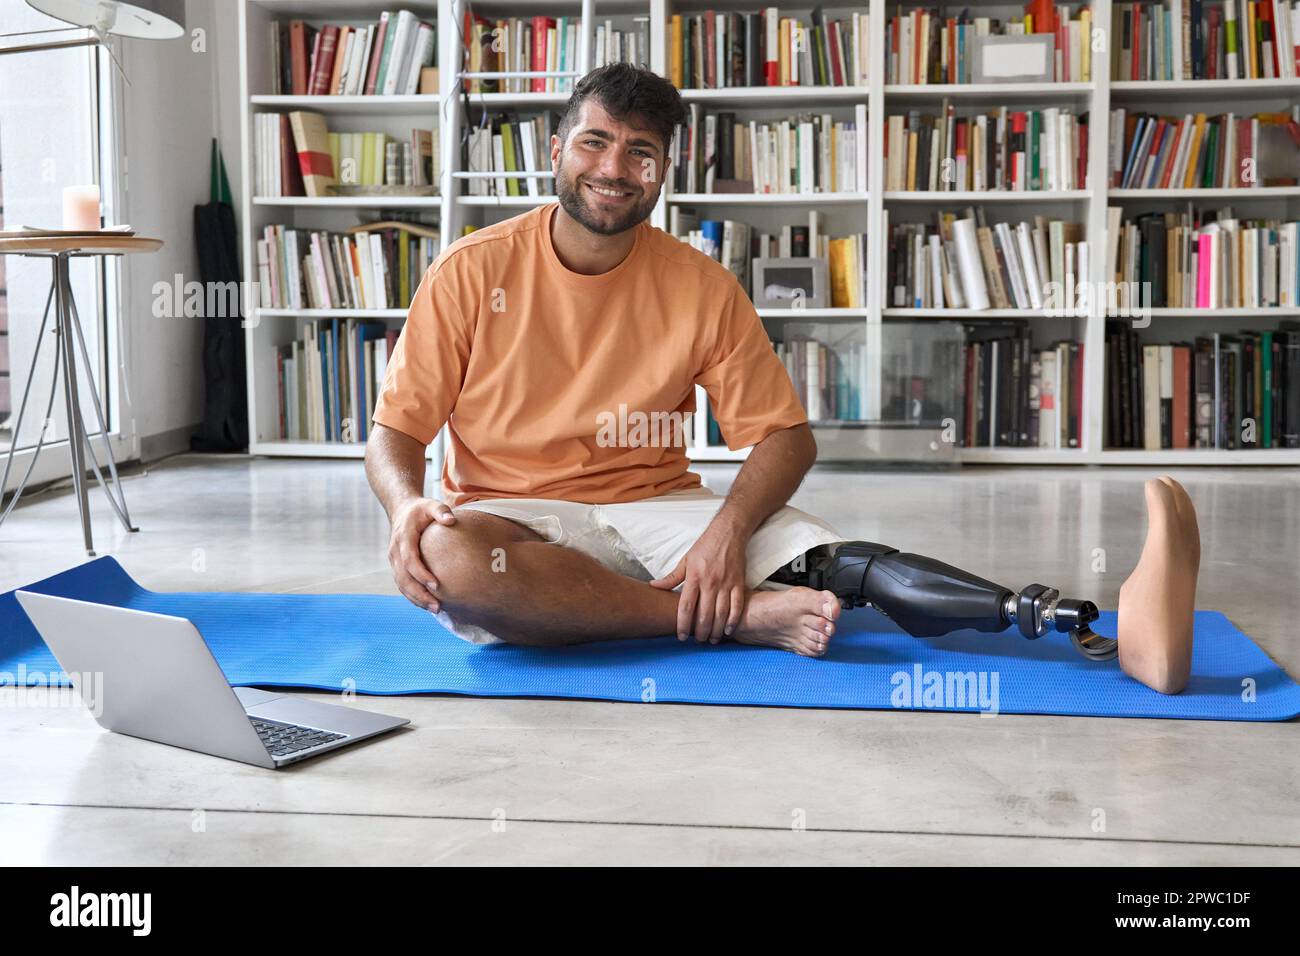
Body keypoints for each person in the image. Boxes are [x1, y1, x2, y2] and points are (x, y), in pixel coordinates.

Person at [365, 64, 1198, 694]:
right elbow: (395, 432)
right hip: (518, 518)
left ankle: (1075, 624)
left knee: (853, 566)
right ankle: (732, 620)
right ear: (556, 149)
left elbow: (784, 436)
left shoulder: (698, 283)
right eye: (595, 141)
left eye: (641, 152)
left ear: (663, 172)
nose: (614, 167)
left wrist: (726, 532)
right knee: (456, 565)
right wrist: (407, 507)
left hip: (660, 516)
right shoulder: (472, 271)